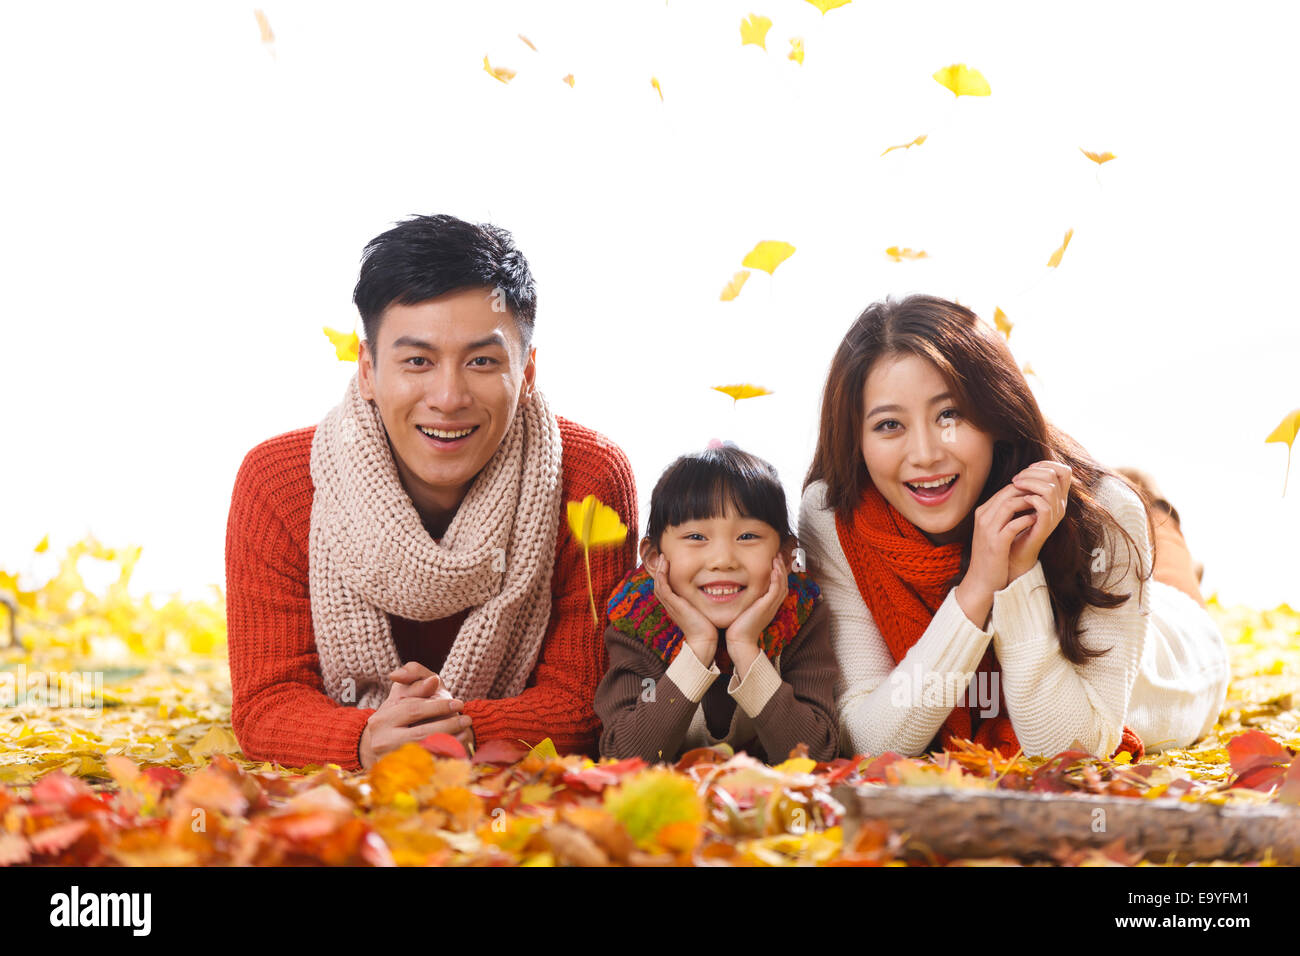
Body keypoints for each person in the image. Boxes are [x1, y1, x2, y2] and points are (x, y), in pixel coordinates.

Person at [225, 214, 637, 771]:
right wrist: (363, 738)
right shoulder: (279, 482)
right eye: (417, 361)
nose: (447, 397)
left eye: (482, 362)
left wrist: (453, 731)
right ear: (368, 370)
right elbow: (267, 703)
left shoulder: (588, 479)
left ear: (529, 371)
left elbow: (585, 702)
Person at [797, 294, 1229, 760]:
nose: (924, 453)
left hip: (1177, 652)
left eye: (950, 414)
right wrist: (978, 587)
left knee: (1153, 539)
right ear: (854, 437)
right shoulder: (835, 514)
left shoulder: (1105, 513)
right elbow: (866, 739)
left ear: (996, 416)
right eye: (888, 425)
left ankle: (1160, 515)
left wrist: (1021, 573)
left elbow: (1068, 747)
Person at [595, 444, 838, 764]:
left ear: (785, 555)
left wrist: (746, 648)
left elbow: (815, 757)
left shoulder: (799, 615)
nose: (723, 560)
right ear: (655, 558)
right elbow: (624, 757)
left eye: (748, 536)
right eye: (696, 537)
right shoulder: (638, 622)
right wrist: (697, 648)